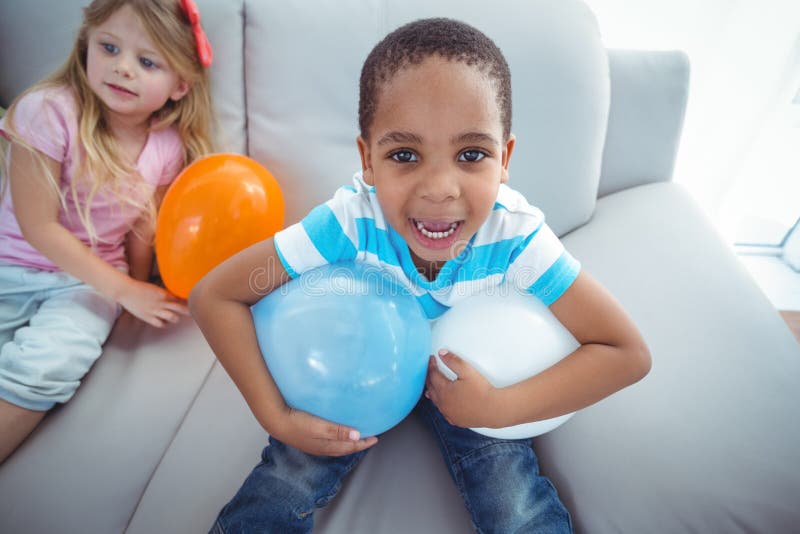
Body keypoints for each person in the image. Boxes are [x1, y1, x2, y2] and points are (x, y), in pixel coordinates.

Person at [190, 18, 651, 533]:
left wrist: (497, 407)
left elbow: (625, 352)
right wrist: (276, 416)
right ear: (367, 159)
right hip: (357, 374)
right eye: (404, 155)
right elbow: (215, 295)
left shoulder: (516, 238)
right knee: (284, 483)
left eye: (471, 154)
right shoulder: (349, 223)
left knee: (513, 503)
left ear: (504, 159)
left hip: (470, 384)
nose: (439, 189)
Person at [0, 0, 215, 463]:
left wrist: (139, 287)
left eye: (147, 62)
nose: (123, 68)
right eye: (110, 48)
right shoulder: (48, 111)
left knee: (53, 360)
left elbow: (141, 228)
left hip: (86, 288)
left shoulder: (167, 146)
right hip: (10, 267)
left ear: (180, 84)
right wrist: (126, 290)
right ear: (86, 45)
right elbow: (38, 227)